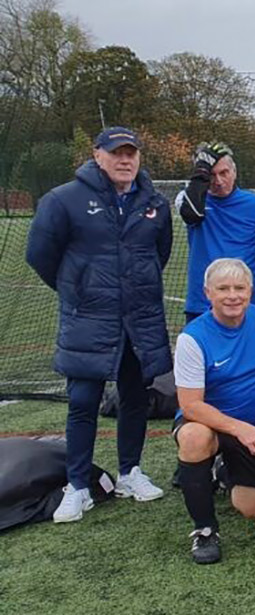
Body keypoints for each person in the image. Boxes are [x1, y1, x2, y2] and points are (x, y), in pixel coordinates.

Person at [26, 126, 172, 523]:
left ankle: (130, 472)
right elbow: (40, 255)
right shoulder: (63, 200)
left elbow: (161, 254)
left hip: (139, 321)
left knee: (136, 398)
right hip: (89, 320)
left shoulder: (154, 202)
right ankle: (77, 486)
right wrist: (81, 290)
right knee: (83, 402)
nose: (125, 160)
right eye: (116, 153)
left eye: (132, 153)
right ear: (97, 154)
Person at [171, 259, 255, 564]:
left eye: (239, 288)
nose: (232, 295)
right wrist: (239, 428)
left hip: (253, 427)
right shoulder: (193, 337)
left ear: (250, 290)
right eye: (223, 289)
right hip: (212, 425)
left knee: (253, 508)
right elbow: (190, 405)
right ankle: (205, 531)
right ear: (208, 293)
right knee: (193, 437)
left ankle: (219, 471)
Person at [177, 142, 255, 321]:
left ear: (234, 172)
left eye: (224, 173)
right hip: (202, 302)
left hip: (247, 301)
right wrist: (201, 168)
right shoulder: (192, 201)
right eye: (211, 175)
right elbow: (191, 213)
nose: (218, 181)